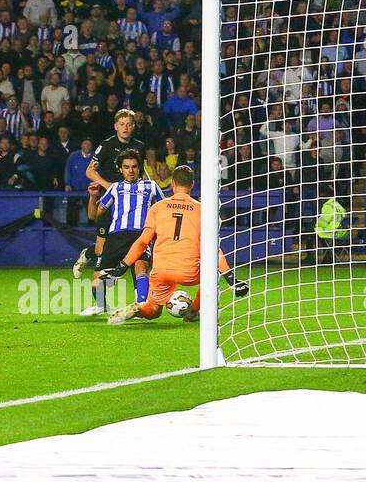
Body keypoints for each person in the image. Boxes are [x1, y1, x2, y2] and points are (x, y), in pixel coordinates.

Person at [106, 165, 248, 324]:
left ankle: (139, 308)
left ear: (172, 183)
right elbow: (213, 249)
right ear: (192, 184)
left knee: (153, 309)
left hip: (161, 270)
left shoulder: (157, 207)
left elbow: (142, 242)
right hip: (189, 270)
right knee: (211, 277)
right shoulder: (202, 210)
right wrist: (231, 279)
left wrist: (122, 266)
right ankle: (193, 312)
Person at [74, 109, 147, 315]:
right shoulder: (106, 145)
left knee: (137, 256)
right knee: (101, 251)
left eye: (129, 124)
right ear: (116, 126)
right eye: (121, 124)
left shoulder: (139, 147)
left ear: (134, 126)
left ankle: (140, 301)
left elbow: (142, 172)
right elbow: (90, 171)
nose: (125, 127)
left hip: (132, 204)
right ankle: (100, 301)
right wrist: (109, 187)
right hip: (111, 199)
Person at [87, 149, 164, 308]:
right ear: (120, 169)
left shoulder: (151, 186)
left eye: (134, 166)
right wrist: (93, 196)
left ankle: (141, 305)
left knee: (141, 267)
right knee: (97, 282)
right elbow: (93, 215)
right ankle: (101, 306)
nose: (131, 170)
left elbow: (165, 210)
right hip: (116, 237)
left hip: (140, 235)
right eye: (126, 167)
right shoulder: (115, 188)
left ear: (139, 168)